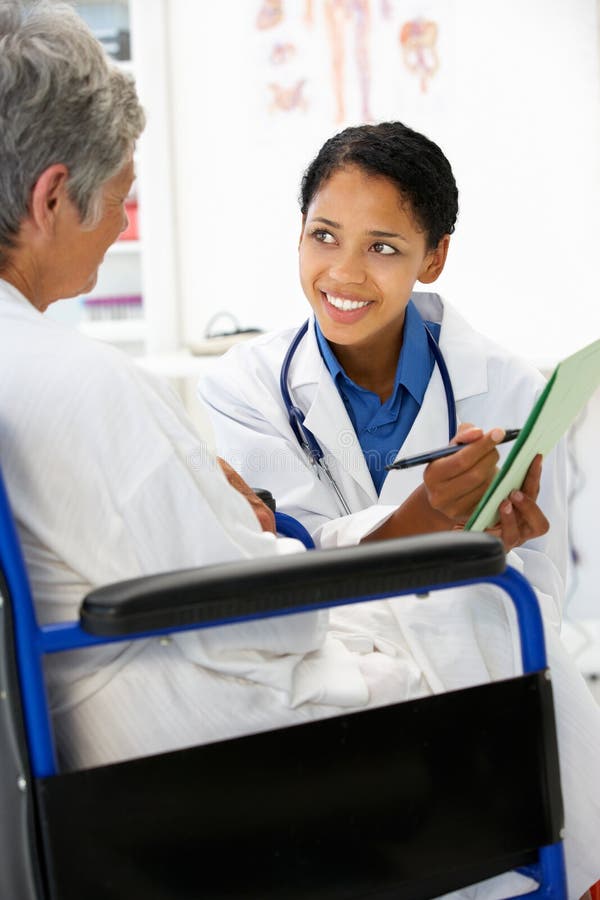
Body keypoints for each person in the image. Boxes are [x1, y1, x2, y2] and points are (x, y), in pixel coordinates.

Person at [0, 0, 437, 780]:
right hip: (210, 773)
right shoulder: (83, 385)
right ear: (52, 198)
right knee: (480, 648)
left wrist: (243, 522)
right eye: (122, 194)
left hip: (87, 750)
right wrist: (273, 530)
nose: (122, 220)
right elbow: (266, 628)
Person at [198, 122, 600, 897]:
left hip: (469, 690)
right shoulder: (246, 386)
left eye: (383, 246)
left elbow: (539, 599)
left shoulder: (508, 387)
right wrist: (435, 523)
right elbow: (292, 569)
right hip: (339, 681)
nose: (343, 272)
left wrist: (499, 544)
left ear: (434, 256)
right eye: (324, 236)